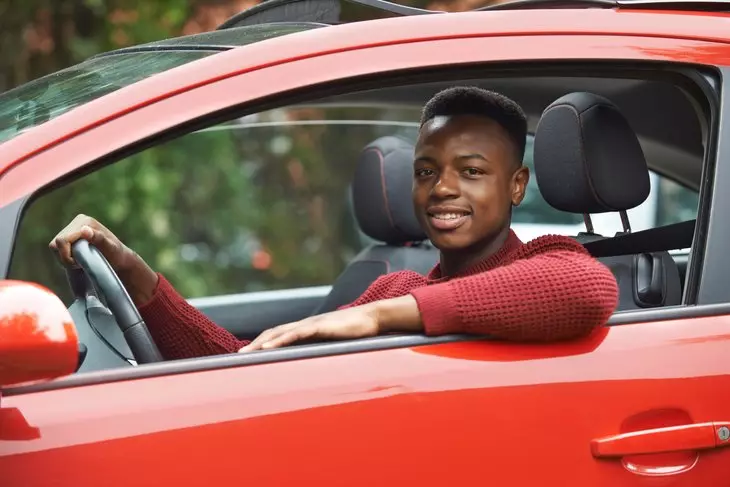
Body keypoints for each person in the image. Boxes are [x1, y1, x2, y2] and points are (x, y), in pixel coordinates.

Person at [50, 86, 619, 360]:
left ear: (516, 185)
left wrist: (377, 319)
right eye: (426, 170)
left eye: (471, 171)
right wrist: (132, 270)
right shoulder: (396, 284)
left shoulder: (548, 261)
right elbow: (241, 364)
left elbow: (588, 290)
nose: (443, 188)